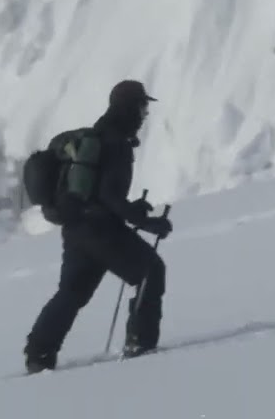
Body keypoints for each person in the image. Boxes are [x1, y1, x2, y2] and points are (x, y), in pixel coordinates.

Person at [23, 79, 174, 373]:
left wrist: (133, 210)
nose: (145, 114)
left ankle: (38, 353)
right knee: (150, 272)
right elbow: (108, 196)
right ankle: (139, 344)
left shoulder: (96, 138)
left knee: (72, 292)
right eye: (143, 106)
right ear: (129, 107)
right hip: (100, 230)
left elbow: (101, 192)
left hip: (77, 228)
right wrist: (145, 221)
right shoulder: (115, 142)